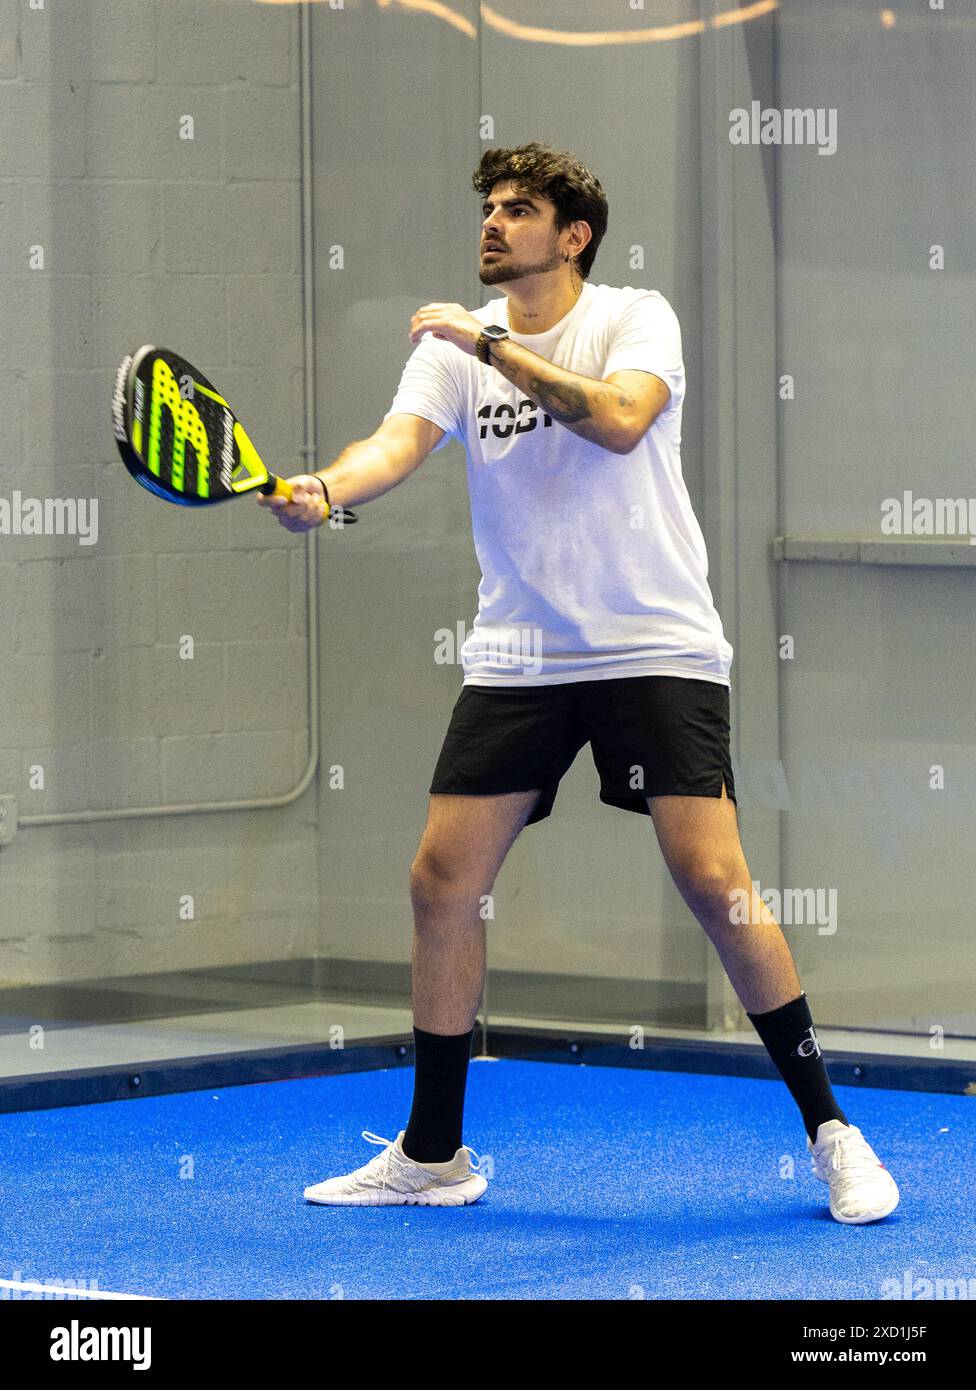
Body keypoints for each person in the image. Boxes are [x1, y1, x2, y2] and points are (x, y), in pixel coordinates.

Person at [258, 142, 898, 1225]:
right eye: (489, 208)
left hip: (654, 641)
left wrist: (493, 346)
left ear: (574, 234)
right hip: (518, 655)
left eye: (520, 209)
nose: (495, 224)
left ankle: (834, 1133)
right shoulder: (454, 349)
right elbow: (395, 443)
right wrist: (321, 488)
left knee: (713, 877)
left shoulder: (632, 318)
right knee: (439, 880)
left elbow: (619, 420)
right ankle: (432, 1153)